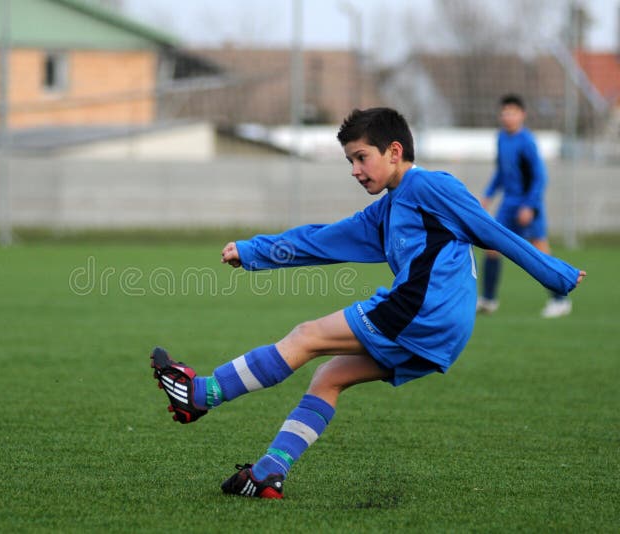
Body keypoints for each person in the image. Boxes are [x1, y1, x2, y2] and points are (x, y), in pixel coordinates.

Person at [150, 107, 585, 499]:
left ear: (394, 151)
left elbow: (494, 233)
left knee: (307, 336)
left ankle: (201, 394)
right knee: (329, 376)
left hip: (422, 311)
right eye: (349, 161)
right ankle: (269, 472)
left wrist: (558, 275)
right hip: (442, 330)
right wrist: (255, 252)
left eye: (362, 157)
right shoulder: (388, 208)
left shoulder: (429, 186)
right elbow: (323, 240)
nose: (356, 170)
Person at [477, 94, 570, 318]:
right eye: (504, 113)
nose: (508, 117)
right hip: (509, 204)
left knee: (540, 249)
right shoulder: (500, 138)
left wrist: (529, 206)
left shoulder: (526, 141)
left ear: (522, 115)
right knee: (491, 245)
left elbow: (539, 177)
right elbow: (500, 172)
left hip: (529, 203)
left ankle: (560, 301)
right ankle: (489, 300)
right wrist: (487, 195)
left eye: (512, 113)